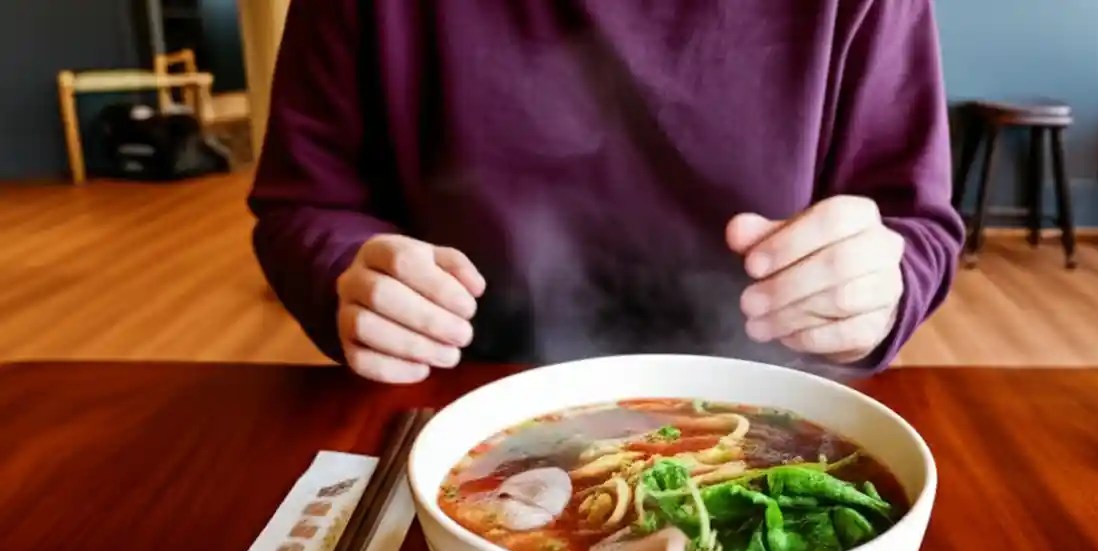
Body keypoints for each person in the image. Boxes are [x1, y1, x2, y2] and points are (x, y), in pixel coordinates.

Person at [250, 0, 963, 384]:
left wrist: (877, 286)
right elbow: (304, 204)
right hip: (455, 397)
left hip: (767, 405)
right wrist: (348, 275)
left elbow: (916, 226)